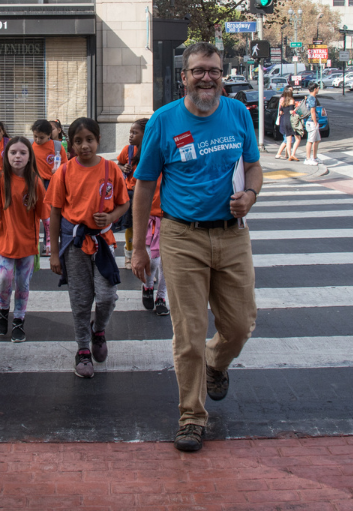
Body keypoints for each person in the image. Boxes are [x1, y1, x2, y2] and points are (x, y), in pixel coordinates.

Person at [131, 41, 262, 453]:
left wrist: (252, 195)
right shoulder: (164, 121)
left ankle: (216, 361)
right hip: (181, 236)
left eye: (215, 71)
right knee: (187, 332)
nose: (208, 78)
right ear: (184, 76)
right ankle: (191, 416)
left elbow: (254, 165)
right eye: (199, 70)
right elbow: (144, 185)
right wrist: (137, 247)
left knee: (240, 326)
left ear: (222, 76)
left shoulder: (238, 112)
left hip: (232, 234)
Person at [46, 117, 129, 379]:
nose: (85, 146)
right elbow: (56, 213)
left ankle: (99, 330)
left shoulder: (111, 170)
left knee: (107, 296)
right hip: (74, 245)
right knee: (80, 300)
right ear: (70, 144)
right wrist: (54, 252)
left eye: (89, 140)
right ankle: (83, 349)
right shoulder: (64, 172)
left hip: (103, 243)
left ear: (98, 140)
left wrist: (112, 216)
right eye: (78, 141)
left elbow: (124, 203)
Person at [0, 136, 49, 343]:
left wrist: (48, 244)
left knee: (23, 285)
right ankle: (2, 311)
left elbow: (45, 216)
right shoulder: (0, 180)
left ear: (30, 157)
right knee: (4, 280)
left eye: (22, 152)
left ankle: (19, 320)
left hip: (28, 245)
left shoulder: (36, 182)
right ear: (5, 155)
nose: (17, 156)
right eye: (13, 152)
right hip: (4, 243)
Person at [31, 119, 68, 255]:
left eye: (41, 137)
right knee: (34, 213)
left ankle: (49, 242)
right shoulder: (30, 145)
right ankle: (33, 242)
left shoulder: (57, 146)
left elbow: (66, 166)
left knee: (50, 215)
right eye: (35, 136)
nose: (38, 140)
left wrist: (58, 171)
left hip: (51, 183)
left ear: (49, 135)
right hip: (34, 182)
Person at [115, 118, 147, 268]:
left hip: (147, 195)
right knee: (130, 226)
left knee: (146, 227)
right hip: (130, 193)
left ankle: (144, 253)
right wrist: (123, 168)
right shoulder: (127, 150)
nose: (131, 135)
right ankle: (128, 253)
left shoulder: (150, 150)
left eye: (135, 133)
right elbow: (119, 163)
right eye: (130, 132)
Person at [142, 174, 168, 316]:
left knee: (167, 264)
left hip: (171, 219)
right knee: (152, 260)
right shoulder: (149, 165)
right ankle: (148, 286)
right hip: (149, 219)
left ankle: (161, 297)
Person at [274, 88, 296, 161]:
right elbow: (291, 112)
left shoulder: (283, 101)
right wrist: (297, 108)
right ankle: (290, 155)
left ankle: (288, 155)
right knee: (290, 140)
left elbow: (280, 112)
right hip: (290, 120)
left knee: (287, 140)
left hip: (284, 120)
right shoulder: (292, 100)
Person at [303, 82, 322, 166]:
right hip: (311, 122)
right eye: (318, 88)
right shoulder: (312, 99)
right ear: (315, 89)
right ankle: (308, 158)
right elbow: (312, 112)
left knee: (317, 140)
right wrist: (315, 123)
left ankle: (314, 157)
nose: (318, 90)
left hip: (310, 122)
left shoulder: (309, 98)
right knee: (310, 141)